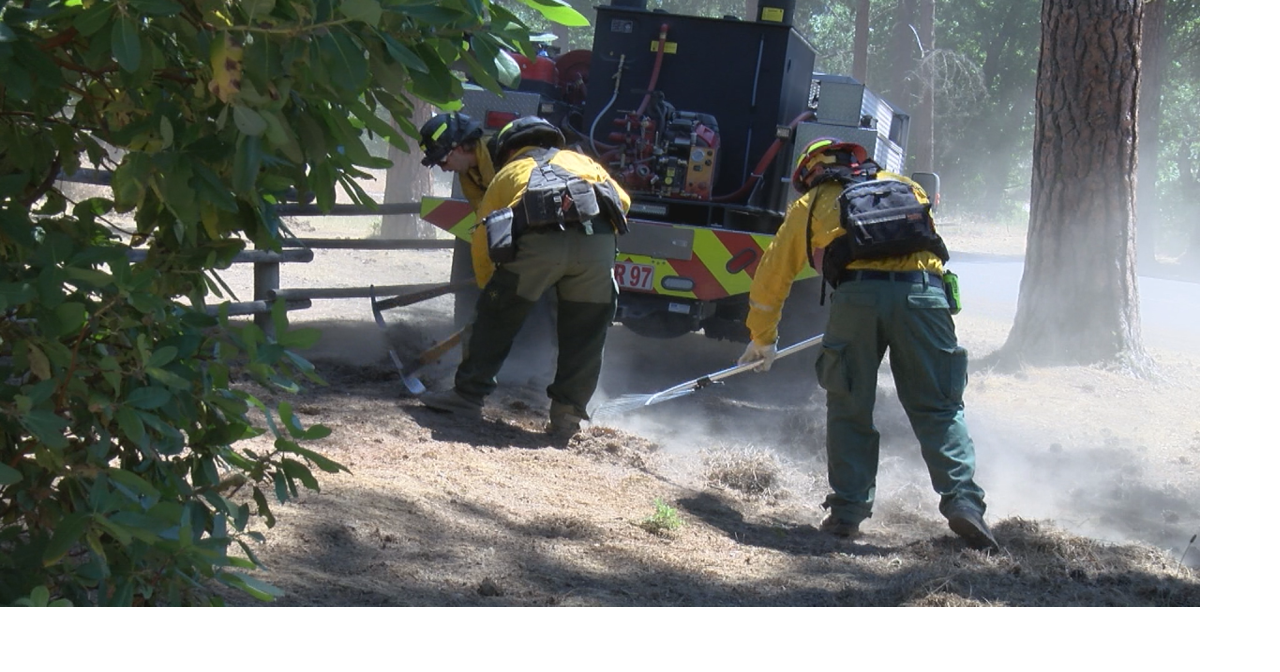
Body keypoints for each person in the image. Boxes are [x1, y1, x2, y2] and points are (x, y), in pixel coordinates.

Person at [738, 138, 998, 551]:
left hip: (857, 299)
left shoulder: (812, 205)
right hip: (926, 297)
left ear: (810, 173)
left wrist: (762, 338)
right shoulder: (906, 187)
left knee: (849, 405)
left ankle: (846, 513)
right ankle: (964, 502)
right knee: (940, 405)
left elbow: (773, 276)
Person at [419, 117, 630, 438]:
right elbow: (623, 202)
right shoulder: (582, 161)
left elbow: (484, 235)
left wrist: (493, 290)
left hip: (540, 241)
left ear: (510, 149)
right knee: (586, 333)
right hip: (598, 243)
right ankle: (566, 418)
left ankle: (466, 396)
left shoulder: (509, 172)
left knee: (496, 316)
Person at [418, 112, 497, 209]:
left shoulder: (504, 154)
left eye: (443, 161)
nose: (444, 169)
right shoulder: (469, 176)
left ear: (458, 148)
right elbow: (483, 213)